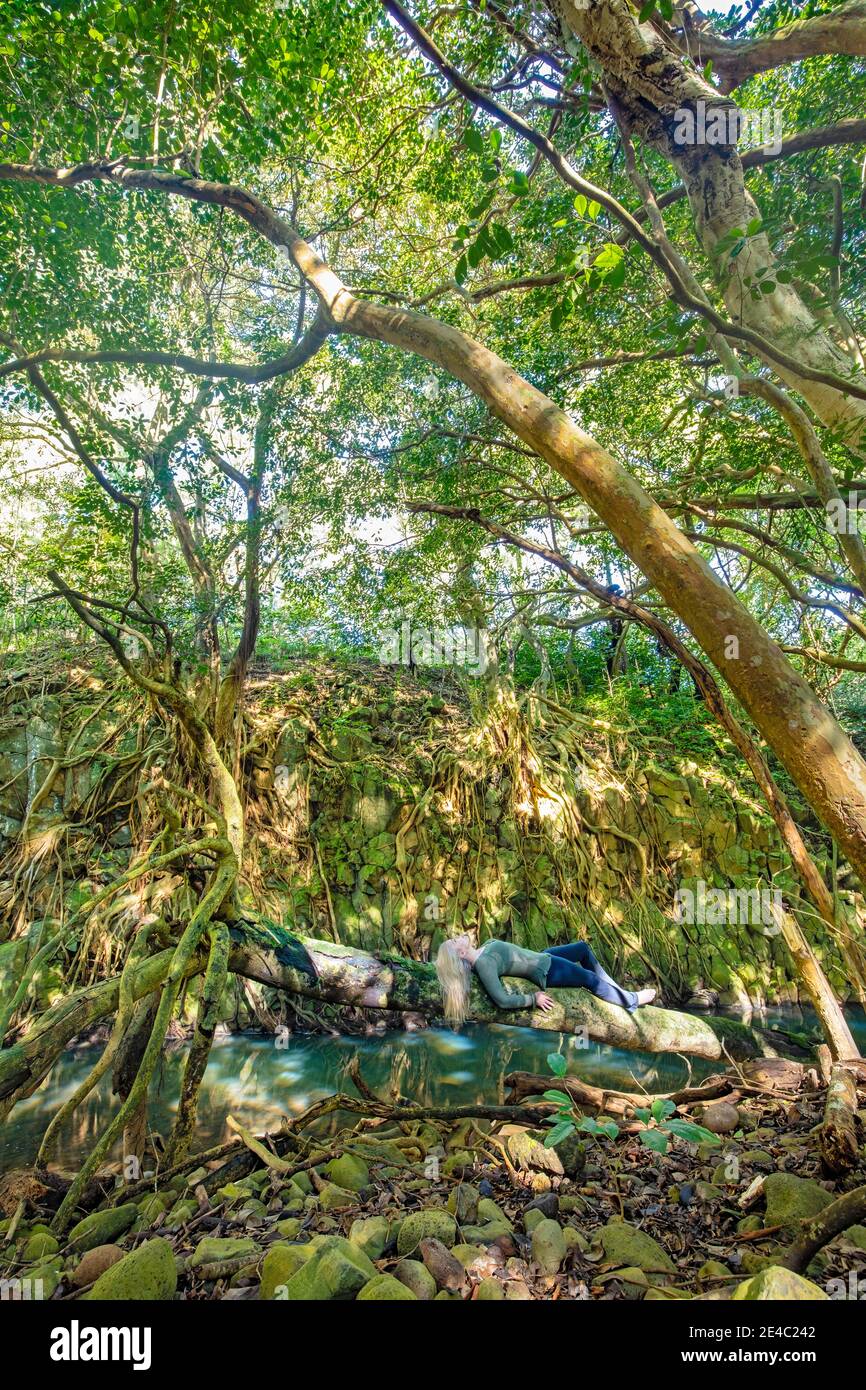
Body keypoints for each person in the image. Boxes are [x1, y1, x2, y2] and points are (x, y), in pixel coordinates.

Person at [435, 934, 656, 1027]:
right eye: (455, 941)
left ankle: (618, 991)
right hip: (546, 971)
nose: (458, 936)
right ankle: (631, 1000)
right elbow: (501, 1000)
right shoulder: (484, 965)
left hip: (542, 956)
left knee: (582, 948)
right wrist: (533, 998)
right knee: (589, 979)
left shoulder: (483, 951)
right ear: (461, 954)